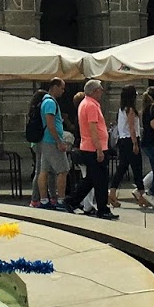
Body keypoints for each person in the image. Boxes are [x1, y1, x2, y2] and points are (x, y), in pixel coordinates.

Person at [76, 79, 115, 220]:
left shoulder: (85, 103)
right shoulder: (91, 106)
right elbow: (93, 129)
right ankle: (102, 209)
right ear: (93, 92)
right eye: (100, 89)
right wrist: (99, 149)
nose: (102, 91)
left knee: (92, 180)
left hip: (89, 147)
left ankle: (71, 201)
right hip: (94, 149)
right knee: (101, 181)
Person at [33, 78, 70, 210]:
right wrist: (59, 141)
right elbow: (50, 124)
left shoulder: (46, 101)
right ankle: (60, 200)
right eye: (62, 88)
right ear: (55, 87)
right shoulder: (50, 102)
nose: (63, 91)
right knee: (63, 170)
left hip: (46, 140)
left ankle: (43, 200)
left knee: (44, 170)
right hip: (51, 141)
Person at [110, 86, 147, 210]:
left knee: (122, 168)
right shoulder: (130, 109)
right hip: (130, 140)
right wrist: (135, 143)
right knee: (137, 167)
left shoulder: (121, 110)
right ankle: (142, 195)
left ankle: (113, 192)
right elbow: (132, 127)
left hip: (122, 140)